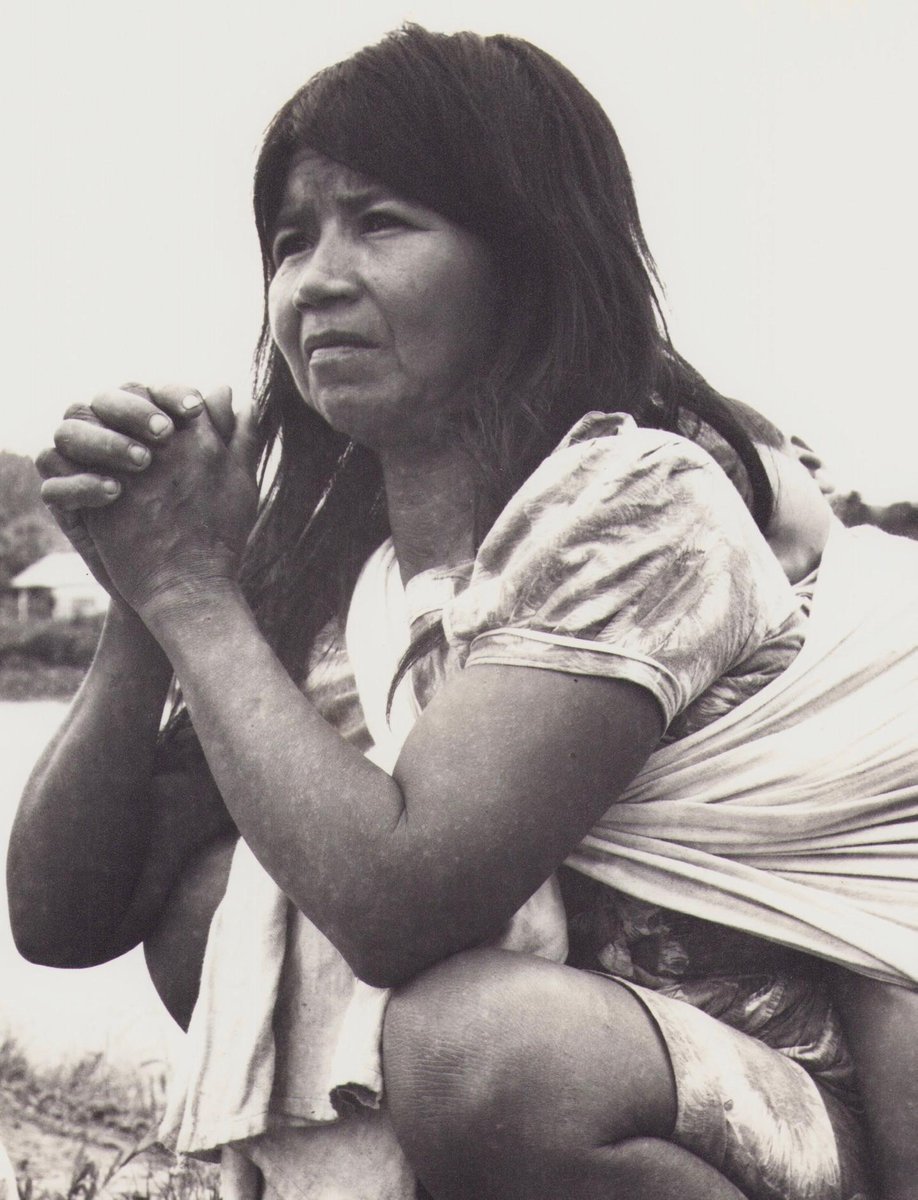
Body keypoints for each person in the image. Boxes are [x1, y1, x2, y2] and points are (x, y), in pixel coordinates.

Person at [7, 25, 918, 1200]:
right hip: (504, 1108)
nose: (319, 278)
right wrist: (152, 594)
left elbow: (401, 904)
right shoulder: (334, 567)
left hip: (768, 1108)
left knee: (483, 1048)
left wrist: (194, 592)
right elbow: (66, 918)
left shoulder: (640, 502)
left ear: (528, 260)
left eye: (381, 222)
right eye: (292, 241)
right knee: (212, 908)